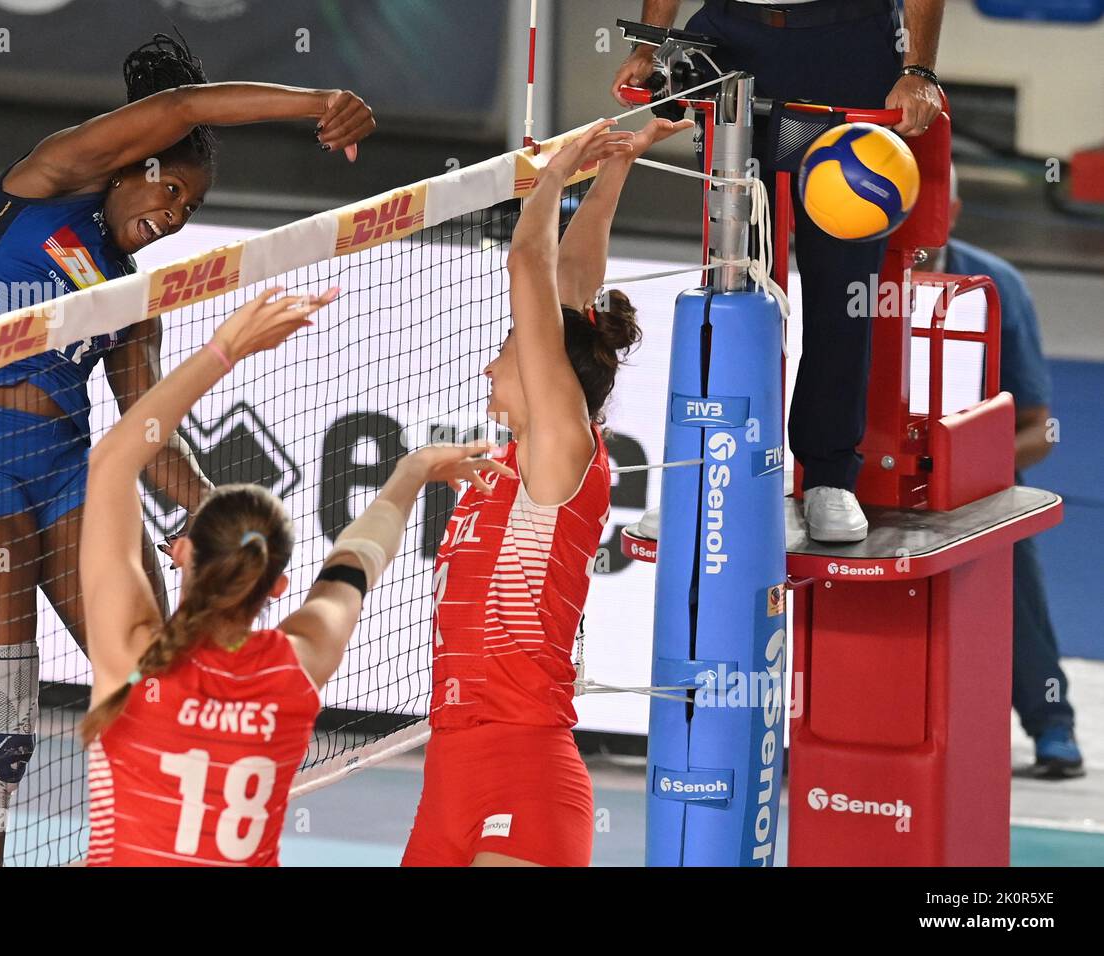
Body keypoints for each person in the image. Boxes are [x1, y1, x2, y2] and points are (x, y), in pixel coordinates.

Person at [0, 32, 377, 866]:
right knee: (1, 732)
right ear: (134, 162)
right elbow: (183, 109)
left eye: (192, 208)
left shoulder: (134, 292)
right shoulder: (47, 177)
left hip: (70, 468)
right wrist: (318, 105)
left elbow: (147, 433)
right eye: (174, 188)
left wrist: (219, 519)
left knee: (159, 681)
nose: (177, 214)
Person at [78, 286, 512, 866]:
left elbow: (111, 463)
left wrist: (223, 351)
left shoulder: (134, 658)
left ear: (181, 552)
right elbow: (355, 563)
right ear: (277, 585)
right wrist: (410, 473)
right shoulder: (297, 664)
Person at [401, 117, 689, 867]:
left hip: (522, 771)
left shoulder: (561, 458)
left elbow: (529, 266)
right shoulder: (519, 456)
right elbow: (570, 288)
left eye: (506, 352)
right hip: (449, 769)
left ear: (543, 373)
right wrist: (616, 167)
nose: (490, 370)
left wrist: (555, 173)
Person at [613, 0, 945, 542]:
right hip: (731, 44)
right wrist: (649, 43)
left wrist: (918, 70)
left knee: (842, 285)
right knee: (731, 275)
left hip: (847, 46)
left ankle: (830, 476)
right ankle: (710, 472)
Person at [922, 169, 1084, 779]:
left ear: (954, 209)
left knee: (1015, 579)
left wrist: (968, 474)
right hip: (872, 480)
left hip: (974, 484)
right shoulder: (854, 278)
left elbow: (1040, 426)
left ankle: (1053, 728)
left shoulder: (998, 287)